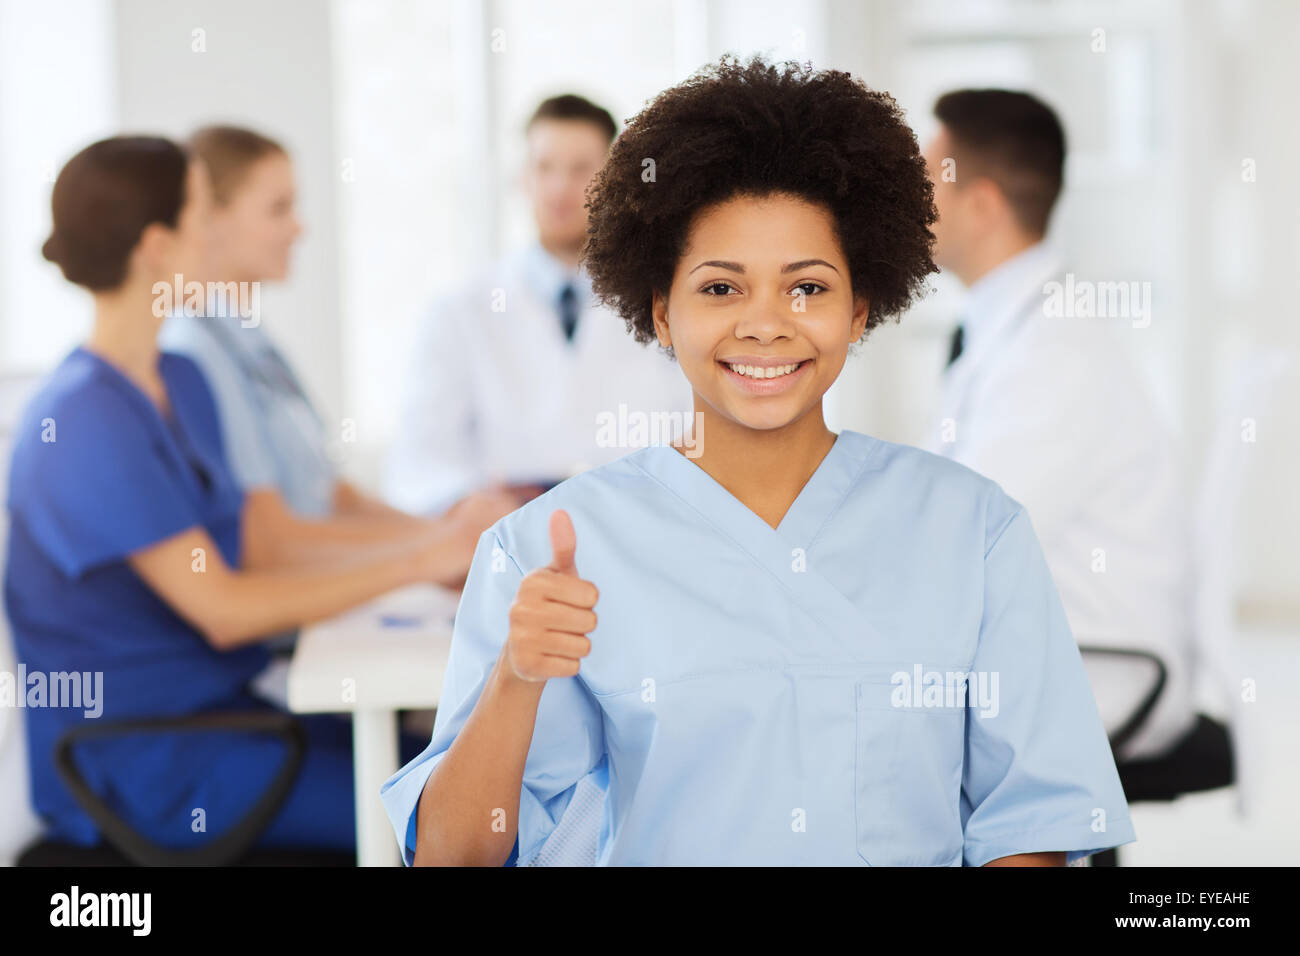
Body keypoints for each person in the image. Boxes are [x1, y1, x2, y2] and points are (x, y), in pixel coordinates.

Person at [381, 56, 1135, 866]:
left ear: (861, 308)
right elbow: (454, 855)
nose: (766, 325)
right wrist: (516, 678)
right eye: (720, 289)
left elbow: (1033, 830)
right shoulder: (544, 551)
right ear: (660, 314)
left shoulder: (975, 532)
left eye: (807, 287)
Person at [5, 136, 444, 853]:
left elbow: (256, 550)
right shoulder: (79, 417)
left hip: (238, 716)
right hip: (155, 762)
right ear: (157, 245)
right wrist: (418, 563)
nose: (217, 234)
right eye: (204, 212)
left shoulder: (182, 380)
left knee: (465, 766)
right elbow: (225, 610)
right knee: (452, 815)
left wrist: (436, 544)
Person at [920, 89, 1197, 763]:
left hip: (1097, 666)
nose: (908, 206)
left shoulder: (1052, 350)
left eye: (925, 184)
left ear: (982, 205)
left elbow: (965, 542)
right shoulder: (1016, 324)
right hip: (1045, 644)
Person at [159, 126, 515, 587]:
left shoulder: (251, 341)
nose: (299, 227)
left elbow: (332, 494)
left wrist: (459, 536)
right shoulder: (195, 350)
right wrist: (435, 549)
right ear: (213, 217)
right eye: (278, 209)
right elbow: (267, 541)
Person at [385, 94, 694, 516]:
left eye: (581, 170)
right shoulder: (460, 312)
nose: (559, 188)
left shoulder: (666, 301)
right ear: (522, 178)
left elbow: (700, 433)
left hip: (641, 531)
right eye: (544, 167)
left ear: (615, 182)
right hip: (507, 541)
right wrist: (472, 500)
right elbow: (421, 460)